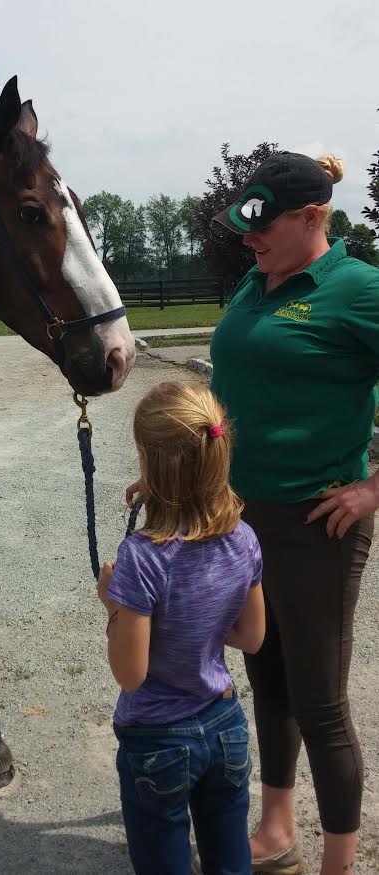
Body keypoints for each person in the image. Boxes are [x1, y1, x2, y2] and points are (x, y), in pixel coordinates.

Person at [207, 151, 379, 875]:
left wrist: (375, 487)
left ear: (314, 218)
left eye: (262, 225)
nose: (249, 240)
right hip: (241, 518)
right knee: (266, 677)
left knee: (320, 701)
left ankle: (340, 864)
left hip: (318, 524)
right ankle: (276, 826)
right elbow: (231, 395)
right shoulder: (254, 281)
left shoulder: (358, 288)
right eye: (244, 228)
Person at [98, 381, 265, 875]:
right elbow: (251, 637)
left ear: (151, 466)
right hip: (225, 725)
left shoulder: (142, 558)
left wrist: (112, 603)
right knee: (229, 861)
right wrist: (202, 624)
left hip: (158, 738)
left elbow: (131, 673)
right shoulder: (243, 538)